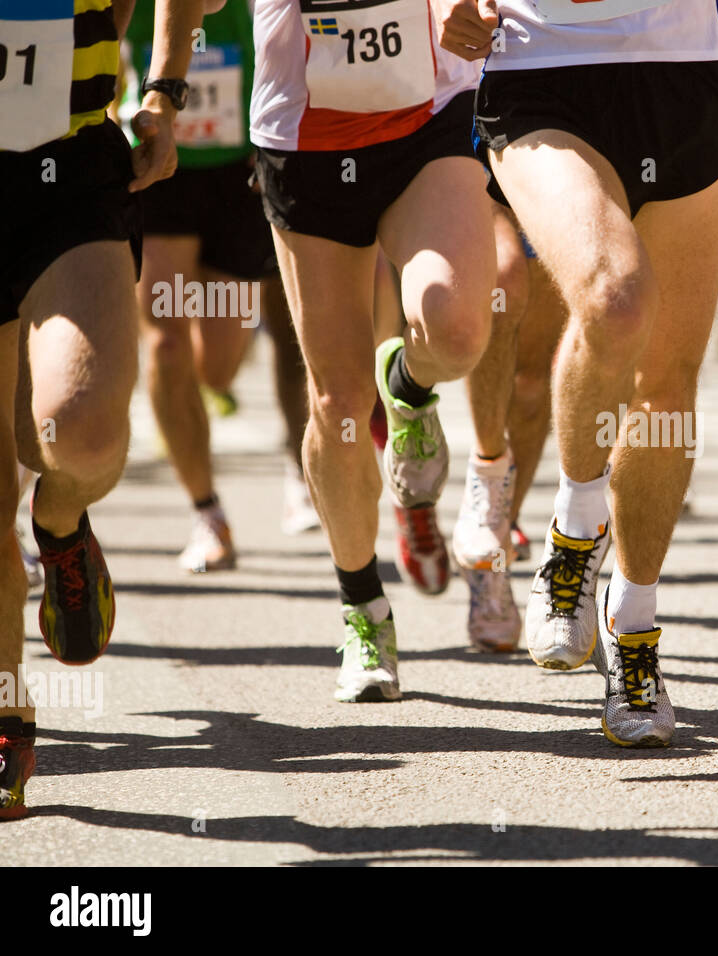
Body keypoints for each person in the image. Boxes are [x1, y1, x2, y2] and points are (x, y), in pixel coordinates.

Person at [439, 0, 718, 746]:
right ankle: (577, 528)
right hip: (543, 65)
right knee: (614, 304)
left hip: (680, 68)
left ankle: (634, 630)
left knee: (670, 383)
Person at [252, 0, 492, 701]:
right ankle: (363, 609)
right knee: (339, 401)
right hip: (306, 140)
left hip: (429, 115)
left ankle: (411, 386)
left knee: (458, 331)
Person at [1, 0, 204, 819]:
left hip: (70, 166)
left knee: (77, 431)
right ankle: (8, 713)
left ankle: (61, 518)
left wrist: (164, 88)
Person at [123, 0, 316, 576]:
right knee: (164, 340)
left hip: (240, 168)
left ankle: (231, 411)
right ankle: (207, 512)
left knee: (218, 366)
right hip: (157, 161)